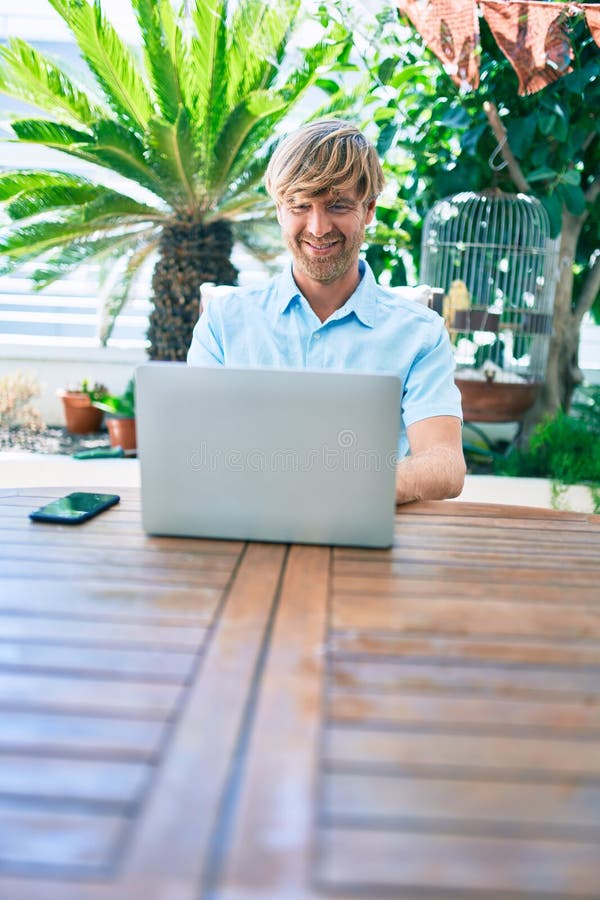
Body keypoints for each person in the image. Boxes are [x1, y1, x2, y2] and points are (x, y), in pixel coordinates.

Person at [188, 119, 465, 505]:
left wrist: (345, 489)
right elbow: (195, 451)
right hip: (244, 529)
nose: (318, 228)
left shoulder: (421, 333)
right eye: (300, 206)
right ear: (280, 211)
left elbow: (445, 464)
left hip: (366, 538)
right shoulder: (223, 322)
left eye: (337, 205)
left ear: (368, 210)